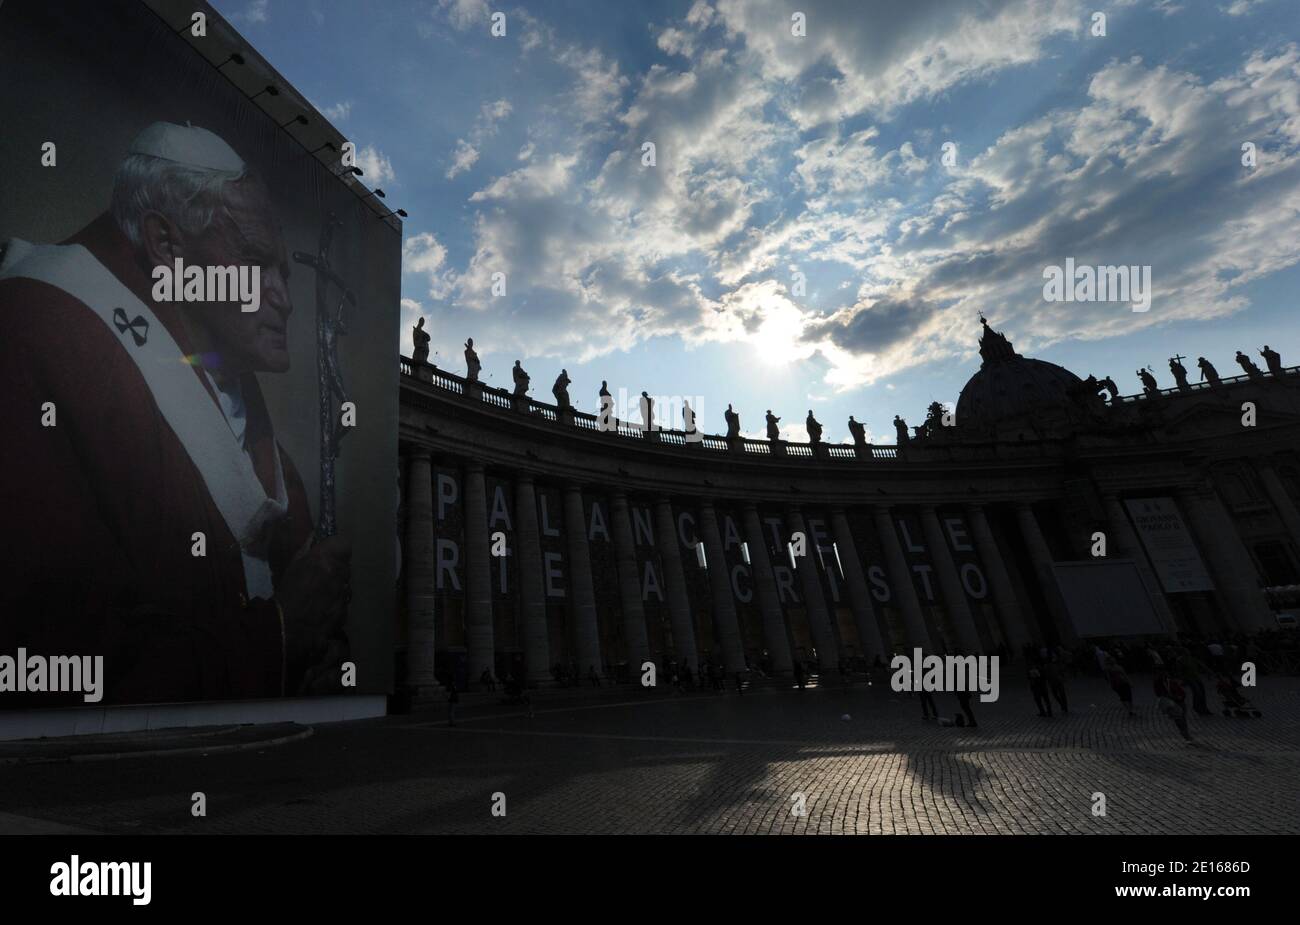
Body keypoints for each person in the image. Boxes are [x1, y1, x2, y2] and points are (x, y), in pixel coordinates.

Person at [0, 121, 349, 705]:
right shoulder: (36, 342)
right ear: (168, 247)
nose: (285, 298)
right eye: (257, 263)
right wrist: (280, 640)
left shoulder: (244, 413)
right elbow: (48, 665)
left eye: (284, 272)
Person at [1154, 670, 1191, 741]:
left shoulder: (1171, 681)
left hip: (1179, 701)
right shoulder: (1158, 683)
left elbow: (1181, 691)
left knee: (1182, 718)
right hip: (1170, 702)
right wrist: (1173, 697)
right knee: (1178, 718)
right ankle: (1185, 733)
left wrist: (1180, 696)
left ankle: (1185, 732)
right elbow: (1159, 694)